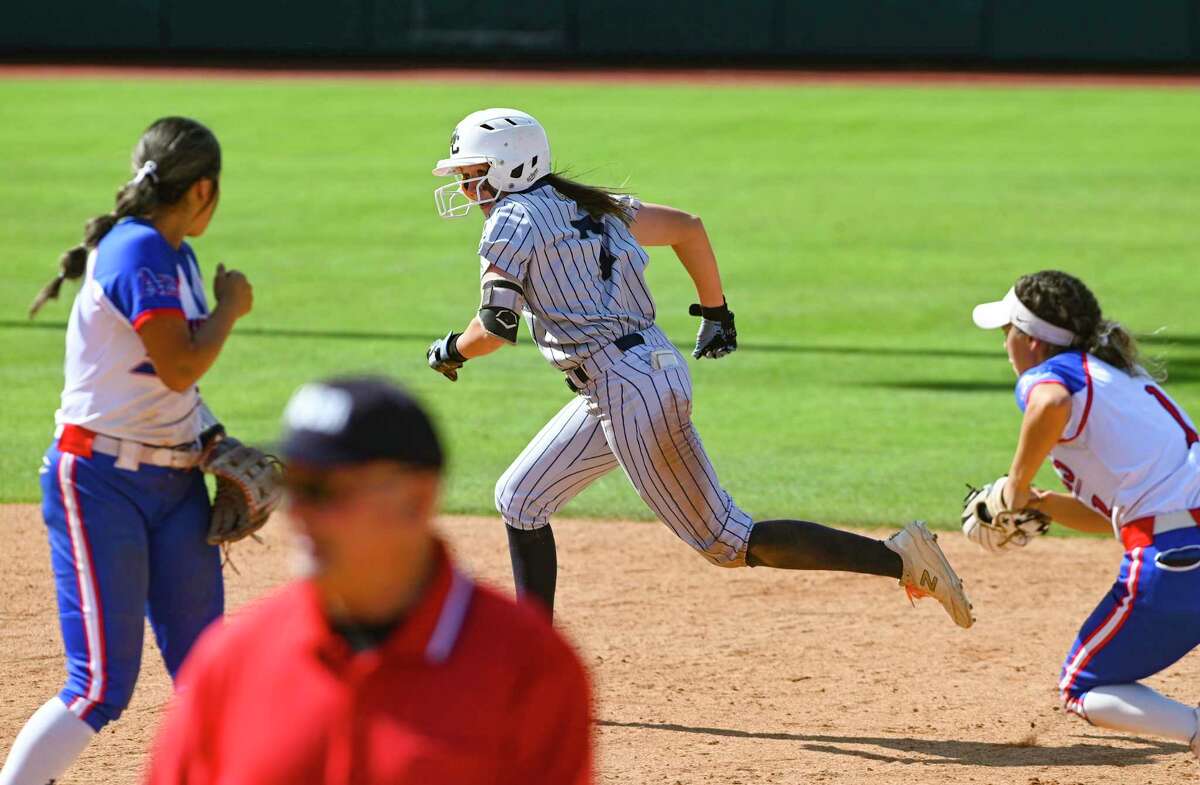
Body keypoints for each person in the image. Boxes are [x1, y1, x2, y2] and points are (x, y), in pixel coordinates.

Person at [424, 107, 974, 629]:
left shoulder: (509, 222)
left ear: (509, 167)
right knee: (520, 499)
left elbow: (495, 328)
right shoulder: (592, 202)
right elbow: (688, 227)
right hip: (636, 375)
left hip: (627, 388)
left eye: (474, 174)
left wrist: (452, 349)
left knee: (727, 542)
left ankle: (900, 558)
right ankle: (532, 659)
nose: (468, 189)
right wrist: (716, 312)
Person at [144, 376, 593, 785]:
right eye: (294, 487)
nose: (297, 514)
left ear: (417, 499)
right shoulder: (233, 660)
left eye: (324, 491)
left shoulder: (527, 668)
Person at [1, 117, 253, 785]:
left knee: (208, 673)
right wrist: (230, 307)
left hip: (173, 484)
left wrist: (211, 438)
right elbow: (177, 364)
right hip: (99, 482)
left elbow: (160, 387)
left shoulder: (176, 255)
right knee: (100, 684)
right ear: (203, 189)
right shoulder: (137, 251)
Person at [971, 270, 1200, 759]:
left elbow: (1048, 402)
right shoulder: (1116, 379)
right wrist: (1037, 502)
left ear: (1031, 341)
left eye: (1007, 332)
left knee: (1082, 686)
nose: (1005, 344)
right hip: (1180, 535)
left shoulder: (1051, 376)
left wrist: (1012, 489)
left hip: (1178, 560)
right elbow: (1112, 518)